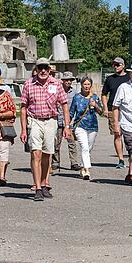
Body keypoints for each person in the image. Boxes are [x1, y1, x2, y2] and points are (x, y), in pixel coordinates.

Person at [20, 58, 71, 201]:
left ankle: (43, 184)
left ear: (49, 70)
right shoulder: (29, 84)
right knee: (36, 153)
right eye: (40, 68)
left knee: (47, 154)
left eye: (45, 68)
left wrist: (67, 126)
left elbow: (64, 105)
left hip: (51, 121)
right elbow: (23, 108)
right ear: (36, 69)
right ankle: (37, 188)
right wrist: (23, 129)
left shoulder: (56, 83)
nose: (43, 71)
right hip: (34, 120)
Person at [68, 76, 104, 180]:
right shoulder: (77, 97)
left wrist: (95, 105)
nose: (87, 86)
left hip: (92, 126)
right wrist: (67, 125)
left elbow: (101, 112)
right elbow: (71, 113)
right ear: (81, 85)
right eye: (85, 84)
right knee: (84, 147)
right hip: (80, 126)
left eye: (88, 84)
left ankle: (83, 167)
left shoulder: (95, 97)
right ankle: (87, 170)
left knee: (89, 148)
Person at [101, 57, 130, 169]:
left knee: (129, 134)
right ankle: (121, 159)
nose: (115, 67)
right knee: (117, 134)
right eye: (114, 65)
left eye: (118, 64)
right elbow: (104, 94)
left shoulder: (129, 78)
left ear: (123, 65)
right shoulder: (110, 79)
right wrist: (105, 108)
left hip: (127, 110)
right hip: (113, 110)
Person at [53, 72, 80, 171]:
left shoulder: (74, 93)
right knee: (56, 144)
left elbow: (76, 106)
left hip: (69, 121)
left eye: (70, 80)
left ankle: (74, 162)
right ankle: (55, 162)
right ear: (63, 81)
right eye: (66, 80)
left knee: (72, 143)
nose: (68, 82)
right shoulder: (57, 91)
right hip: (58, 120)